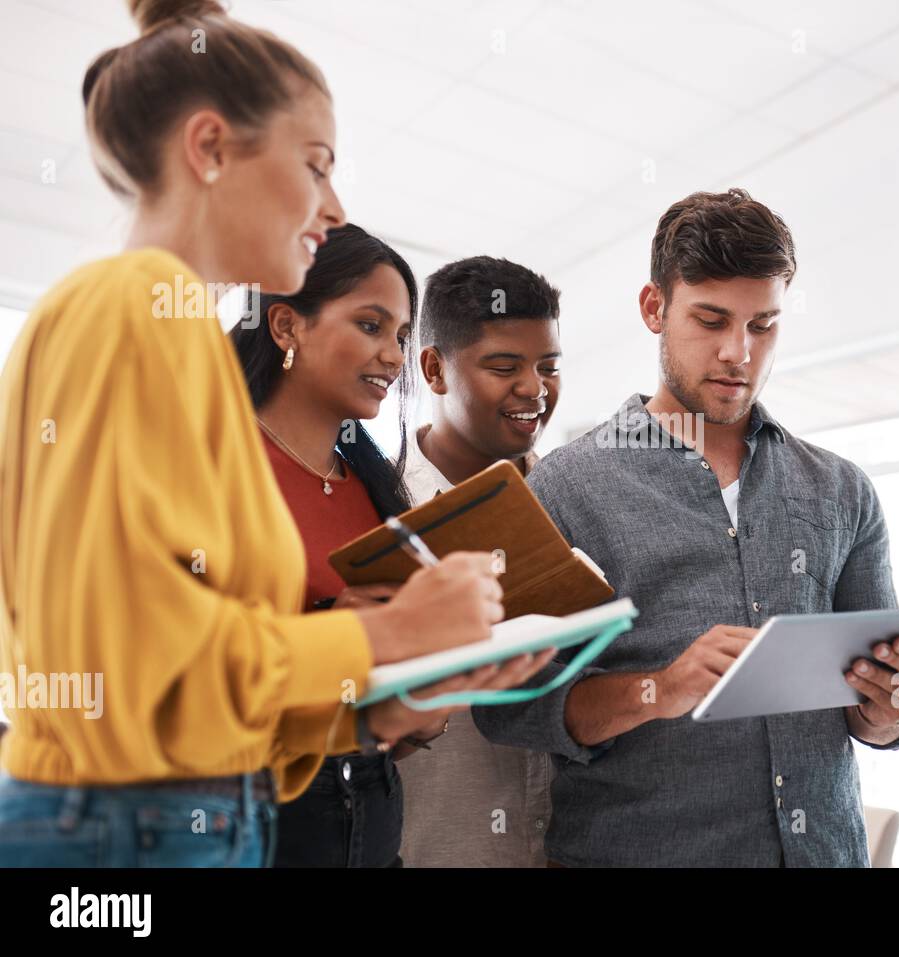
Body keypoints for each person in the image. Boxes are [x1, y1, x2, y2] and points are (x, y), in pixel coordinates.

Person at [0, 0, 531, 867]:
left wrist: (388, 701)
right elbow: (125, 681)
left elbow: (205, 695)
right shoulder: (124, 312)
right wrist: (387, 635)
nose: (334, 203)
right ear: (209, 149)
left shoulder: (179, 342)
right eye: (316, 165)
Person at [474, 189, 899, 867]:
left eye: (763, 325)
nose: (738, 352)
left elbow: (879, 712)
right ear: (654, 309)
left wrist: (896, 703)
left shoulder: (842, 490)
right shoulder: (564, 488)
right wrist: (658, 689)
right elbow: (514, 706)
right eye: (712, 319)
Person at [230, 226, 551, 867]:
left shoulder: (375, 488)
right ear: (287, 326)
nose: (392, 356)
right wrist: (340, 638)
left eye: (402, 336)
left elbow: (381, 722)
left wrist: (432, 696)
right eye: (371, 326)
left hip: (370, 833)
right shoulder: (215, 468)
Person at [399, 256, 563, 866]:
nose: (535, 388)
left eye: (548, 366)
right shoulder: (380, 510)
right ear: (436, 369)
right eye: (504, 366)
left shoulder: (575, 501)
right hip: (438, 847)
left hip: (569, 845)